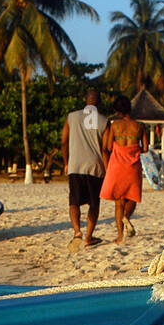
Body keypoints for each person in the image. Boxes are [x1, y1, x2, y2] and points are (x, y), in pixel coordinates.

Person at [61, 88, 108, 250]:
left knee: (74, 200)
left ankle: (77, 232)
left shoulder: (72, 117)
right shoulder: (104, 120)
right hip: (95, 166)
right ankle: (88, 236)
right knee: (94, 203)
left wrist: (66, 161)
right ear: (99, 101)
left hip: (75, 164)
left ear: (85, 100)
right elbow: (106, 148)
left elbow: (63, 141)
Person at [99, 95, 146, 244]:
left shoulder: (114, 126)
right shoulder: (139, 126)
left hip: (117, 165)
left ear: (117, 111)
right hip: (132, 165)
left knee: (118, 202)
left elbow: (106, 147)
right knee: (132, 196)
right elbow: (145, 148)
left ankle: (120, 237)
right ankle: (127, 217)